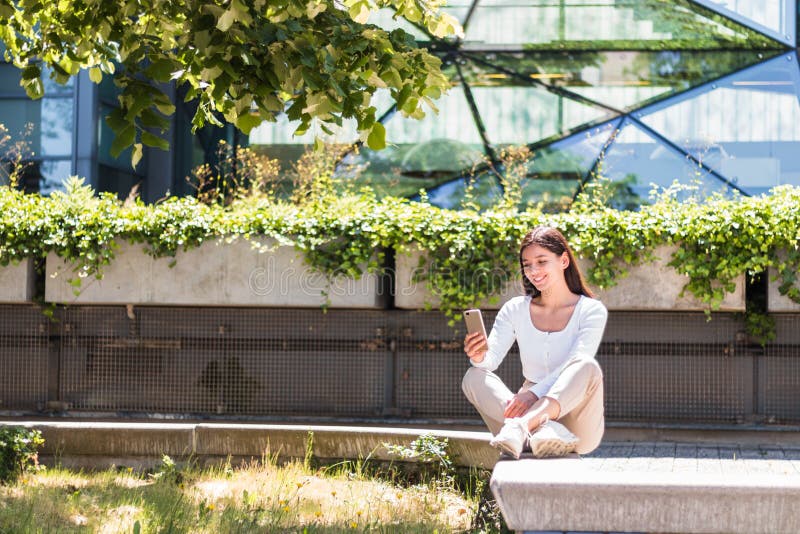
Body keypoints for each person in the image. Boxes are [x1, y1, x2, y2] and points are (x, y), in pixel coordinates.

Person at [462, 226, 607, 459]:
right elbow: (490, 361)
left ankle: (523, 428)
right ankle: (541, 433)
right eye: (527, 264)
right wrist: (479, 356)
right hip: (526, 413)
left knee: (586, 366)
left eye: (541, 261)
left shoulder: (591, 311)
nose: (533, 270)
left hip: (576, 422)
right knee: (473, 376)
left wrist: (533, 394)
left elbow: (574, 363)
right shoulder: (515, 309)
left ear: (564, 261)